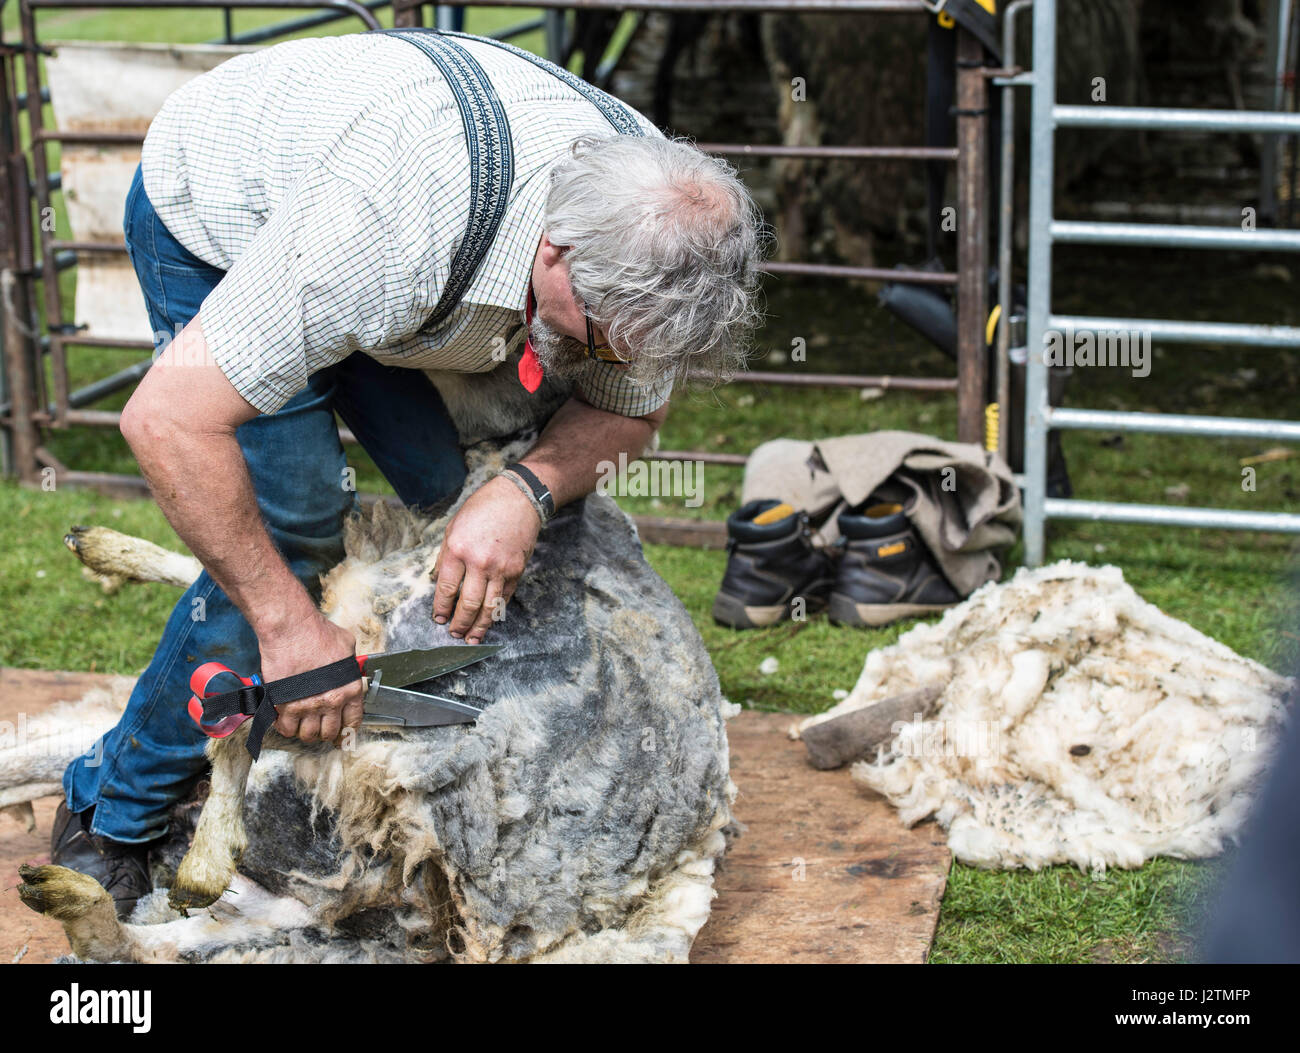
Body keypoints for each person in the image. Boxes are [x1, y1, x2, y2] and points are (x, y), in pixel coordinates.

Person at [51, 28, 763, 917]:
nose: (616, 355)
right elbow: (164, 419)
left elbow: (630, 404)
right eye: (600, 330)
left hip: (395, 277)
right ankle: (111, 809)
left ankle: (439, 757)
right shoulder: (392, 222)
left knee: (459, 485)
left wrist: (527, 488)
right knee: (297, 523)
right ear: (556, 252)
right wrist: (290, 627)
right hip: (228, 221)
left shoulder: (651, 230)